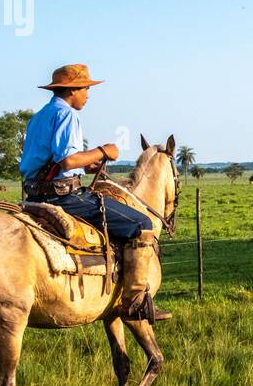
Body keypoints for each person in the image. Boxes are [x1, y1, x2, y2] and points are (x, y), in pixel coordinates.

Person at [20, 64, 171, 321]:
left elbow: (55, 160)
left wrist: (86, 165)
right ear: (72, 90)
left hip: (34, 195)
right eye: (86, 89)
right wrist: (104, 152)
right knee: (142, 223)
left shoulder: (39, 117)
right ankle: (135, 301)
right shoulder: (67, 115)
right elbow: (67, 161)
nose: (88, 95)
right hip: (63, 197)